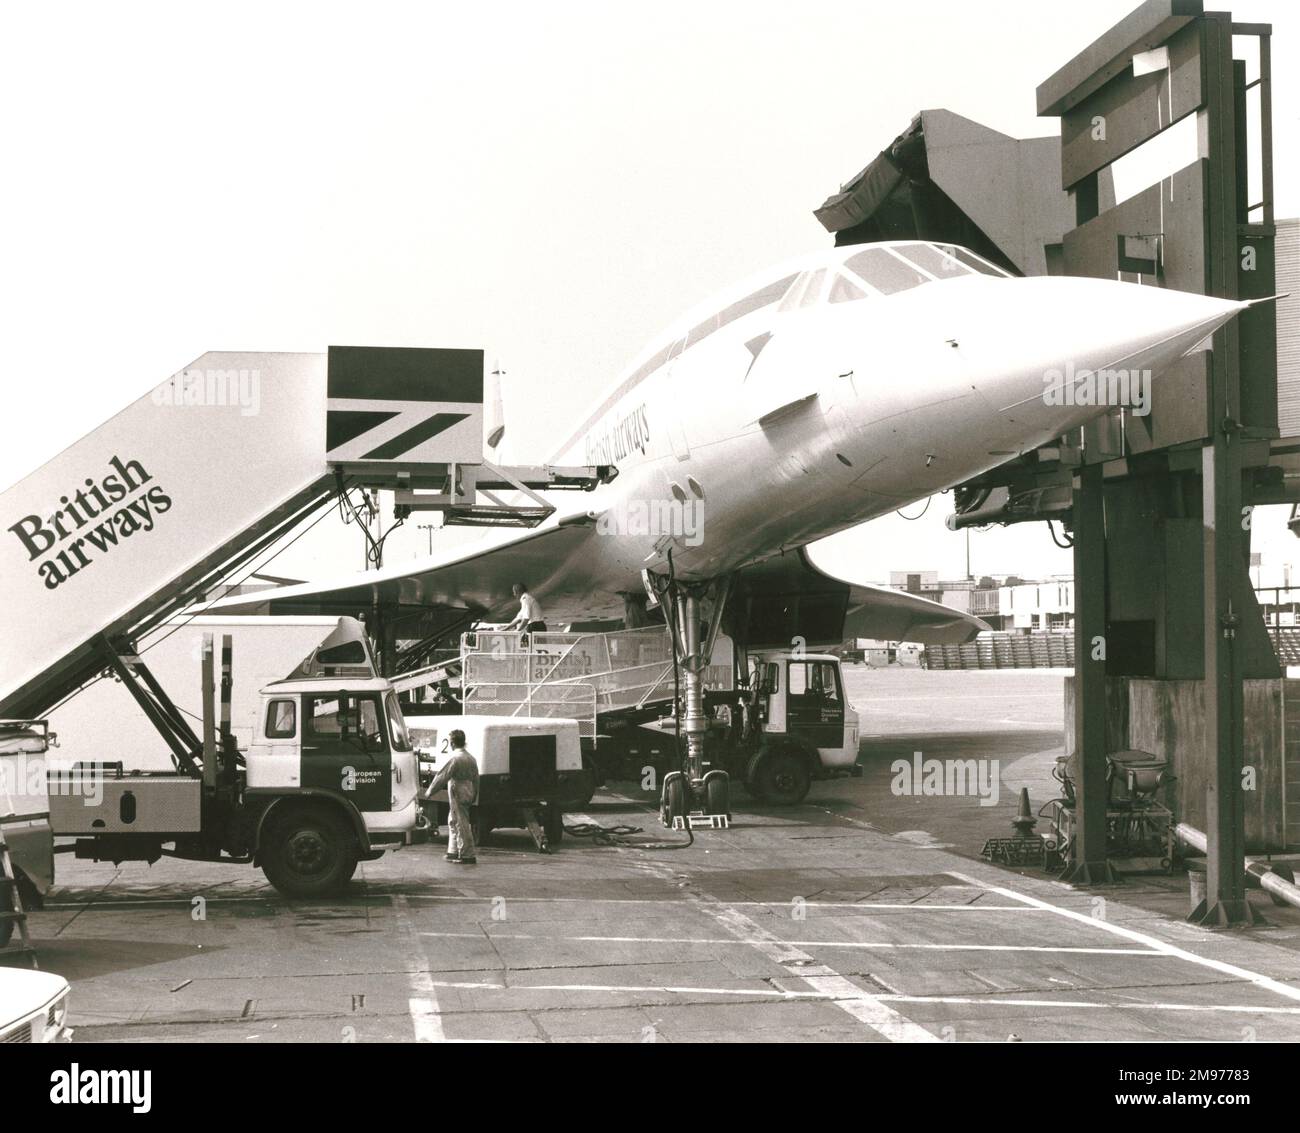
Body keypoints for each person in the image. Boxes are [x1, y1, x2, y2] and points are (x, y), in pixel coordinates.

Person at [426, 729, 481, 864]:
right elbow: (476, 778)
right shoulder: (471, 758)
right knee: (453, 819)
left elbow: (442, 776)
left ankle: (467, 854)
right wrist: (475, 793)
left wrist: (429, 792)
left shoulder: (455, 758)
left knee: (460, 822)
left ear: (452, 743)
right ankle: (453, 850)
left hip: (458, 789)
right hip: (469, 789)